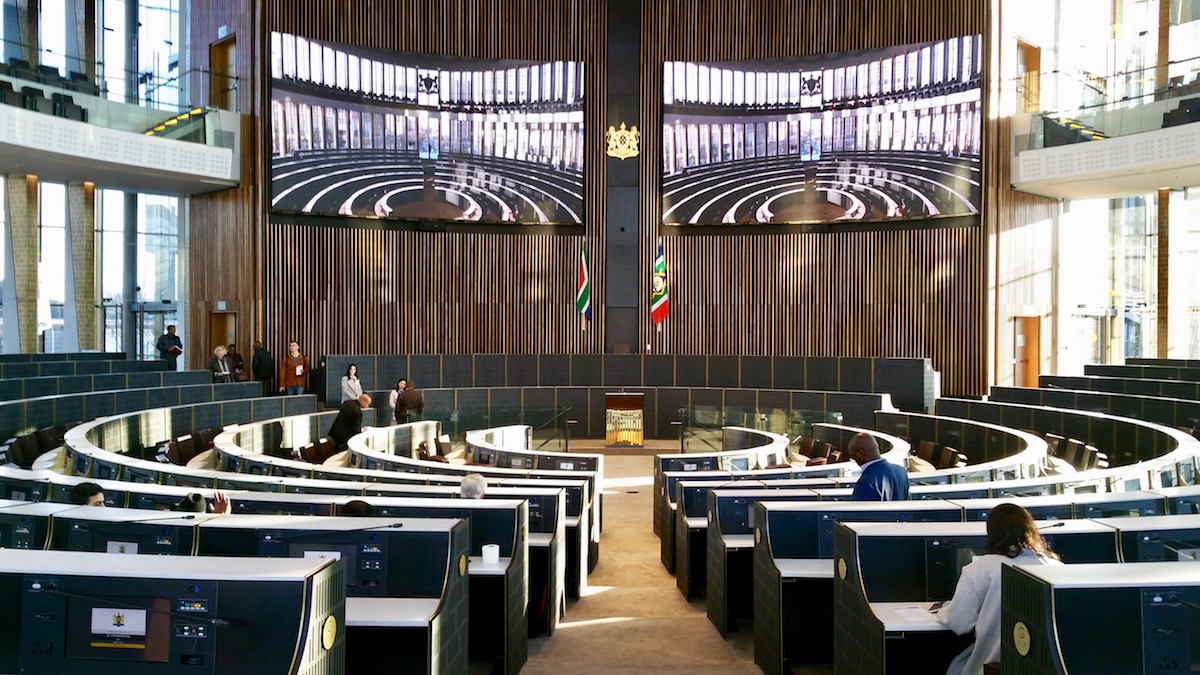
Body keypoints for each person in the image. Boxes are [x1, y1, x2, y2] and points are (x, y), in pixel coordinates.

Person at [937, 503, 1062, 675]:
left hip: (992, 667)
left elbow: (959, 623)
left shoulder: (980, 569)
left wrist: (944, 608)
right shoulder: (1057, 568)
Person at [848, 432, 909, 500]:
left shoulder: (865, 483)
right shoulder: (901, 471)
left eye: (853, 457)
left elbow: (857, 510)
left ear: (860, 453)